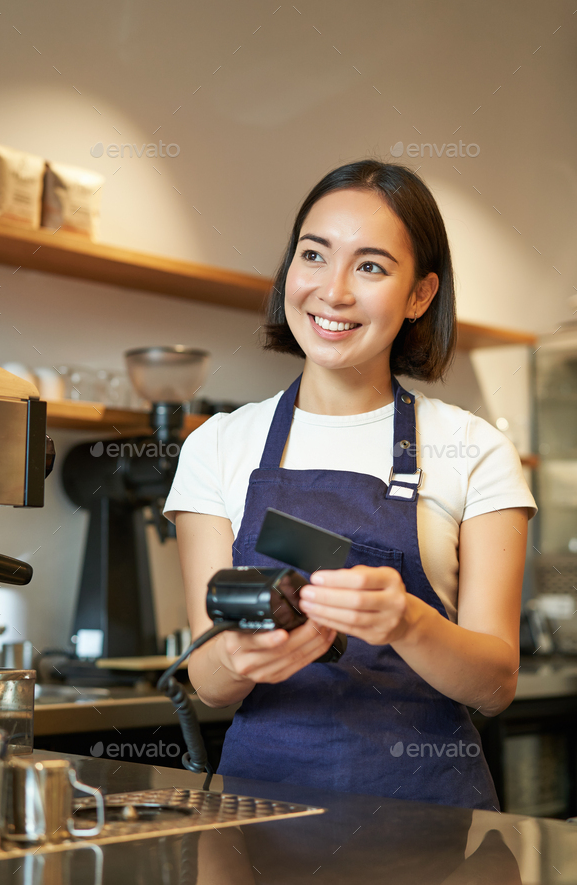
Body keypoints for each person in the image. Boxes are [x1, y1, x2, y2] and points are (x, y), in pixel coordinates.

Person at [163, 160, 537, 810]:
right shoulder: (217, 446)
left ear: (420, 295)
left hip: (431, 833)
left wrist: (409, 621)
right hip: (259, 824)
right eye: (314, 255)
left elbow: (495, 682)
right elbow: (207, 677)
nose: (332, 291)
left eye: (370, 266)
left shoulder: (475, 450)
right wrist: (242, 660)